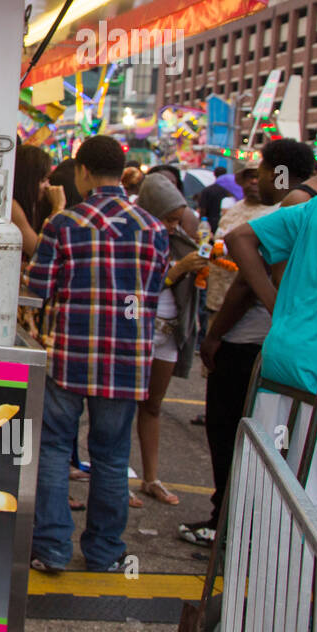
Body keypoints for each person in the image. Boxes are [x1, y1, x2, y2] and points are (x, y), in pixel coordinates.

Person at [26, 135, 170, 573]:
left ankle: (51, 548)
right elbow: (152, 290)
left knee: (52, 449)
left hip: (70, 357)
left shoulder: (64, 225)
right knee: (111, 457)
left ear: (83, 173)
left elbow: (37, 289)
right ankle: (105, 552)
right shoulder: (153, 228)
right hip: (126, 363)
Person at [184, 142, 317, 545]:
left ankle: (227, 524)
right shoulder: (315, 202)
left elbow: (248, 275)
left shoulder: (300, 202)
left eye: (261, 168)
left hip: (257, 345)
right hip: (292, 351)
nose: (257, 178)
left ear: (279, 172)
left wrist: (216, 333)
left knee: (234, 435)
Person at [226, 185, 317, 510]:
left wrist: (281, 309)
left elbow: (238, 237)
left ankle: (256, 560)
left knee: (263, 491)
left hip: (283, 357)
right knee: (313, 511)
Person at [130, 172, 208, 508]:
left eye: (178, 220)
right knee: (119, 411)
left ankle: (151, 477)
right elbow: (136, 291)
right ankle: (119, 479)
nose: (174, 227)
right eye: (169, 220)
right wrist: (178, 271)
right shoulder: (131, 237)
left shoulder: (178, 241)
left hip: (168, 334)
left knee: (153, 406)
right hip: (138, 331)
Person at [11, 143, 64, 259]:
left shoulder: (32, 205)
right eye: (43, 180)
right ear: (27, 180)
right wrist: (58, 208)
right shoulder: (12, 207)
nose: (48, 186)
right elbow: (42, 253)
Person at [195, 166, 231, 234]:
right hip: (224, 225)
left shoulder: (207, 190)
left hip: (209, 224)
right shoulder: (229, 192)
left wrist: (201, 222)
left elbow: (202, 209)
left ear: (214, 174)